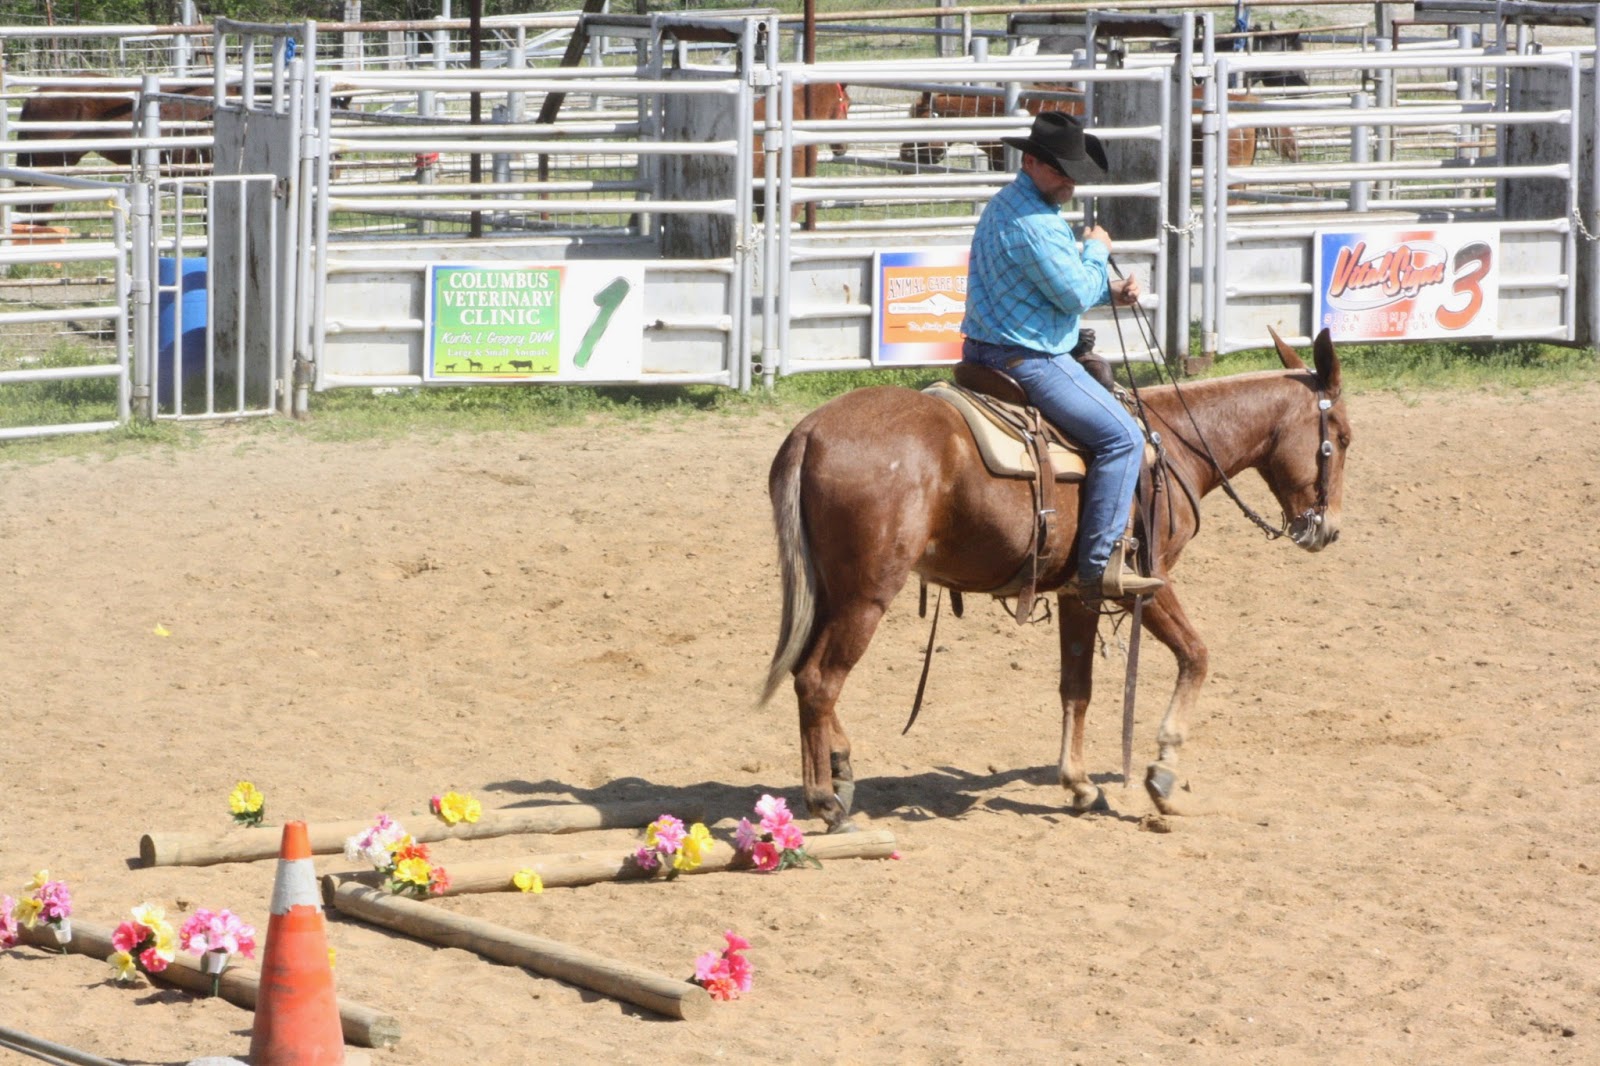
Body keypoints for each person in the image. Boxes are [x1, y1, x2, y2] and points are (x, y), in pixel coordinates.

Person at [960, 111, 1163, 600]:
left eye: (1073, 170)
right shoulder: (1036, 223)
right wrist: (1096, 252)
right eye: (1059, 168)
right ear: (1030, 161)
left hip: (985, 350)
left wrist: (1109, 290)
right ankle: (1098, 564)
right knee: (1122, 439)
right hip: (1028, 359)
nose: (1070, 178)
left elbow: (1048, 289)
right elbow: (1071, 295)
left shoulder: (1008, 206)